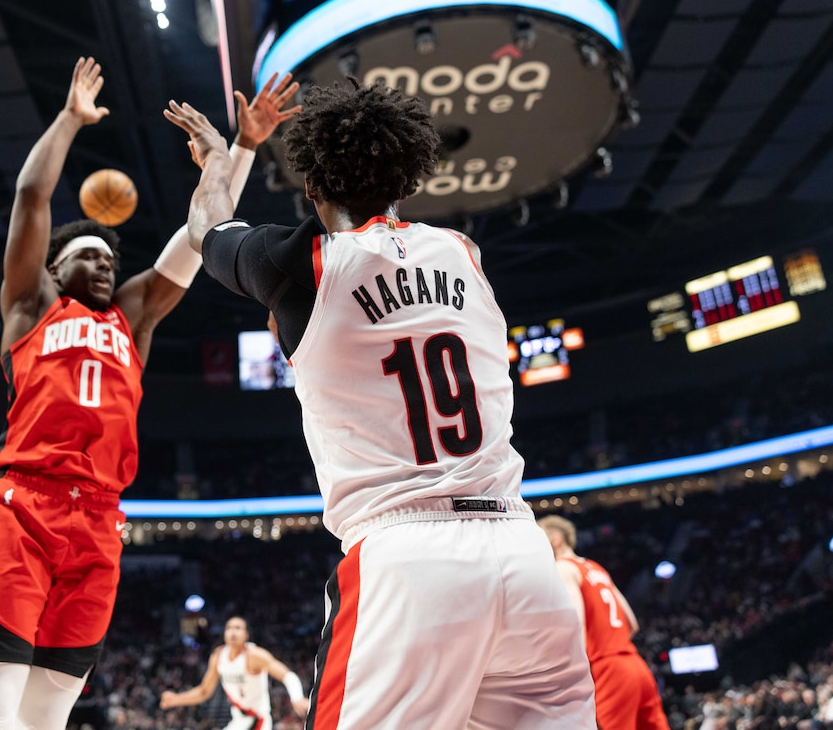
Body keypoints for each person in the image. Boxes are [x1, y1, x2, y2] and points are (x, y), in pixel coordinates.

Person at [166, 79, 595, 729]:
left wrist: (230, 155)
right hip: (523, 553)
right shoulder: (464, 253)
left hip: (408, 561)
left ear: (311, 187)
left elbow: (208, 229)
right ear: (405, 180)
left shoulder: (301, 265)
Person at [0, 57, 298, 730]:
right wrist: (69, 121)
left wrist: (239, 153)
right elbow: (30, 200)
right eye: (90, 256)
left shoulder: (131, 318)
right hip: (25, 507)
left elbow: (199, 242)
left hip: (100, 523)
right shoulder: (32, 305)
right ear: (56, 267)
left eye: (113, 260)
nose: (106, 265)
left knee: (46, 713)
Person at [537, 515, 670, 730]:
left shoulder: (562, 568)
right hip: (636, 665)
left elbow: (576, 621)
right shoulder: (595, 567)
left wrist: (573, 672)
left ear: (555, 539)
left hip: (608, 668)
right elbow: (632, 623)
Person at [159, 616, 310, 729]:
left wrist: (296, 697)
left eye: (238, 628)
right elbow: (204, 691)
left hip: (258, 721)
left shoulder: (254, 655)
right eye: (229, 628)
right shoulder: (218, 656)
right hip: (238, 720)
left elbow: (287, 675)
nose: (233, 632)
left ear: (246, 635)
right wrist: (177, 699)